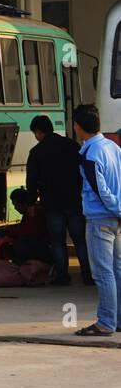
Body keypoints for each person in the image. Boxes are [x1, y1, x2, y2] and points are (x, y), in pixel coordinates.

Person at [26, 114, 92, 286]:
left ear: (39, 132)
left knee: (57, 241)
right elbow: (83, 172)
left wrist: (31, 202)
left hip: (52, 203)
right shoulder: (72, 145)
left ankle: (62, 275)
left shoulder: (36, 152)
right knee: (80, 239)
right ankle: (87, 274)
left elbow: (31, 181)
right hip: (74, 201)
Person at [73, 104, 121, 337]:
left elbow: (100, 190)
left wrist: (115, 207)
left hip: (100, 218)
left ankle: (105, 322)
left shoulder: (89, 154)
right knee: (117, 270)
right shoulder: (113, 147)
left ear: (78, 127)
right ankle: (117, 319)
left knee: (103, 274)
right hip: (116, 219)